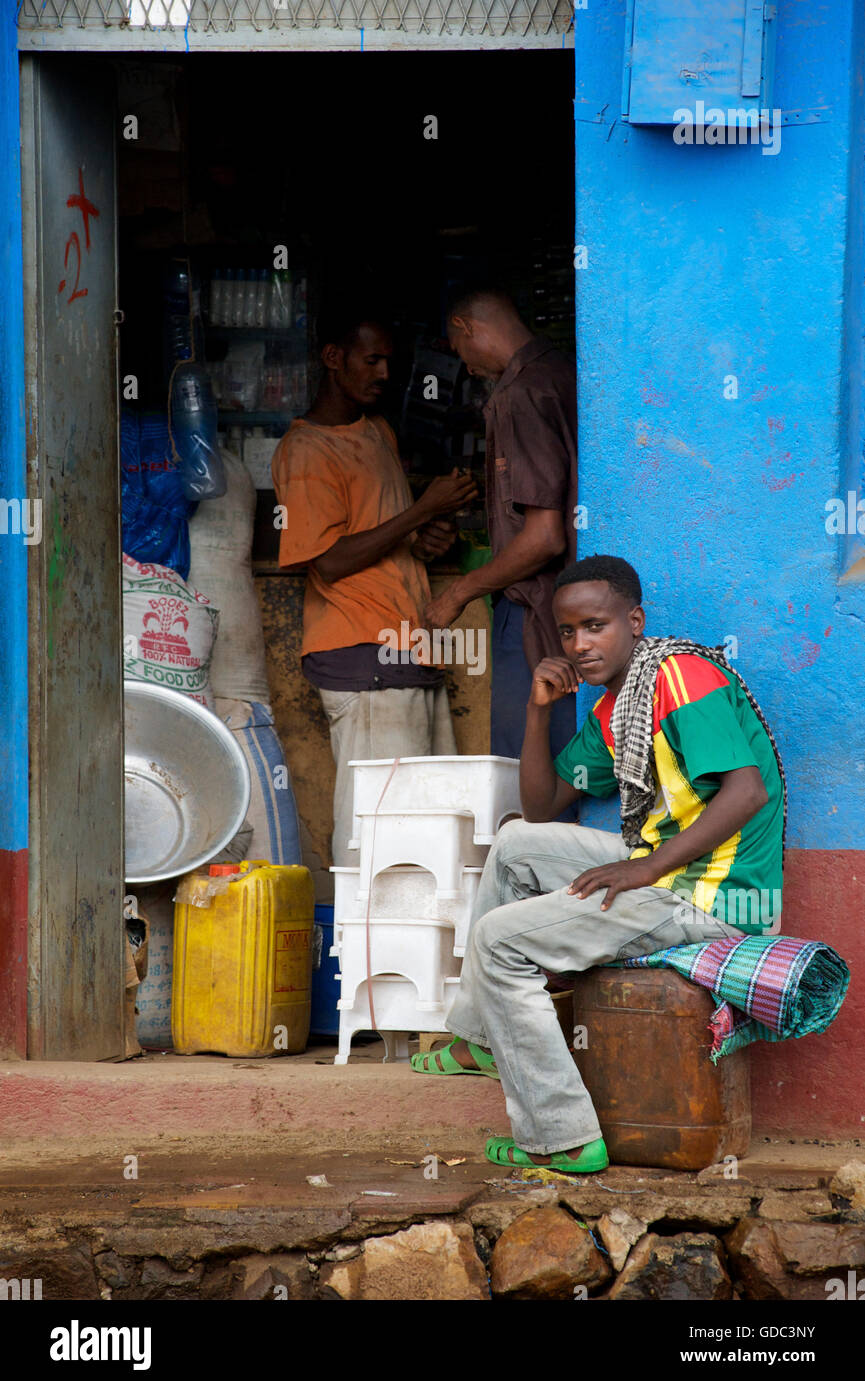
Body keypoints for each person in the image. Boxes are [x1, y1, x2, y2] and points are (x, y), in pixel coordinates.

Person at [411, 555, 786, 1174]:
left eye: (595, 626)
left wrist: (644, 870)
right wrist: (538, 710)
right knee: (514, 846)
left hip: (713, 899)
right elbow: (542, 804)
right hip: (664, 870)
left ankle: (562, 1137)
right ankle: (481, 1038)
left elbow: (747, 792)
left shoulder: (682, 677)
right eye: (568, 632)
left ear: (634, 622)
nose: (580, 645)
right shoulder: (618, 707)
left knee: (499, 941)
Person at [271, 307, 477, 866]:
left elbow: (383, 534)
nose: (385, 372)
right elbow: (329, 562)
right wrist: (422, 510)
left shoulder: (377, 431)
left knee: (429, 821)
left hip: (409, 649)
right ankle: (360, 950)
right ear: (333, 359)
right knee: (379, 823)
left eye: (390, 360)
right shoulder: (306, 450)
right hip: (363, 655)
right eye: (372, 359)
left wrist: (426, 534)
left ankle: (418, 946)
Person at [424, 286, 578, 760]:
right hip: (569, 609)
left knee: (525, 766)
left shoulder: (520, 393)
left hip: (535, 610)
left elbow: (544, 536)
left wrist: (457, 593)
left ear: (467, 329)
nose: (465, 365)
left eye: (458, 349)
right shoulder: (562, 372)